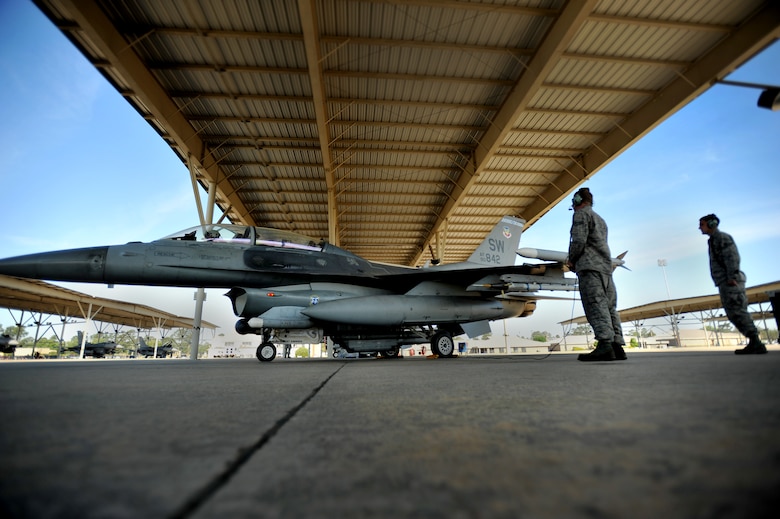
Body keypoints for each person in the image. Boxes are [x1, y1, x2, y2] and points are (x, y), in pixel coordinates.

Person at [566, 187, 627, 362]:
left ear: (578, 201)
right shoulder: (600, 219)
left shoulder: (580, 215)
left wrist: (572, 259)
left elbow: (578, 240)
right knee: (609, 307)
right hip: (606, 268)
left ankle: (605, 345)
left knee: (595, 305)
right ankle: (617, 346)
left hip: (589, 268)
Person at [699, 214, 767, 355]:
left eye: (702, 224)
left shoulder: (722, 238)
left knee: (738, 311)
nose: (700, 227)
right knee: (733, 313)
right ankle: (754, 341)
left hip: (731, 282)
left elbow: (732, 257)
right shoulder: (713, 240)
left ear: (711, 224)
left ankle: (756, 342)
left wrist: (732, 276)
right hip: (725, 282)